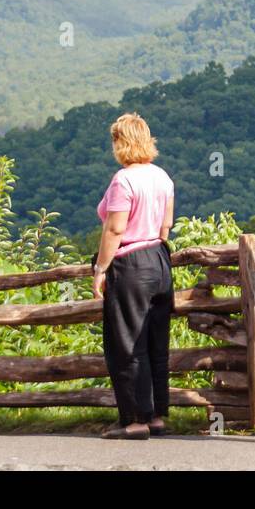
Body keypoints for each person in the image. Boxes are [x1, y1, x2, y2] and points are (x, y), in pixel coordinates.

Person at [93, 112, 176, 440]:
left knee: (127, 344)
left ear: (121, 143)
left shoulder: (123, 180)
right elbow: (165, 225)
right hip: (159, 259)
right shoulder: (163, 177)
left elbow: (115, 228)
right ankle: (156, 415)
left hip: (130, 263)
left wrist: (101, 268)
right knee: (157, 341)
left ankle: (134, 420)